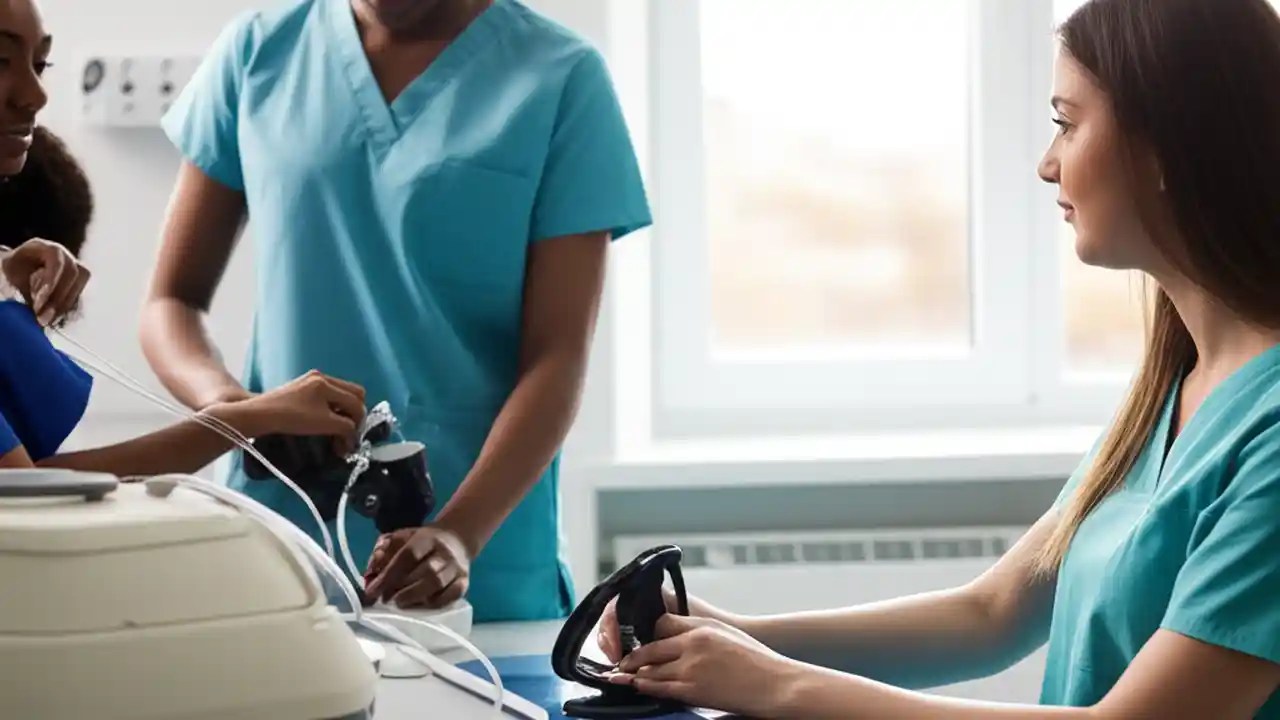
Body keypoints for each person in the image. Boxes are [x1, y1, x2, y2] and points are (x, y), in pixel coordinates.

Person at [598, 0, 1280, 717]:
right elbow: (990, 615)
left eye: (1066, 123)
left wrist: (774, 685)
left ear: (1164, 146)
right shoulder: (1174, 387)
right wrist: (735, 638)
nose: (1048, 165)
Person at [140, 0, 650, 622]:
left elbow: (558, 356)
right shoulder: (258, 54)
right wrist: (243, 413)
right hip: (280, 539)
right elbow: (171, 304)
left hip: (476, 558)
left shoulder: (560, 77)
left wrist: (461, 532)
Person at [0, 0, 366, 478]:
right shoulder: (259, 52)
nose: (36, 96)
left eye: (41, 64)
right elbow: (18, 489)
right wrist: (243, 417)